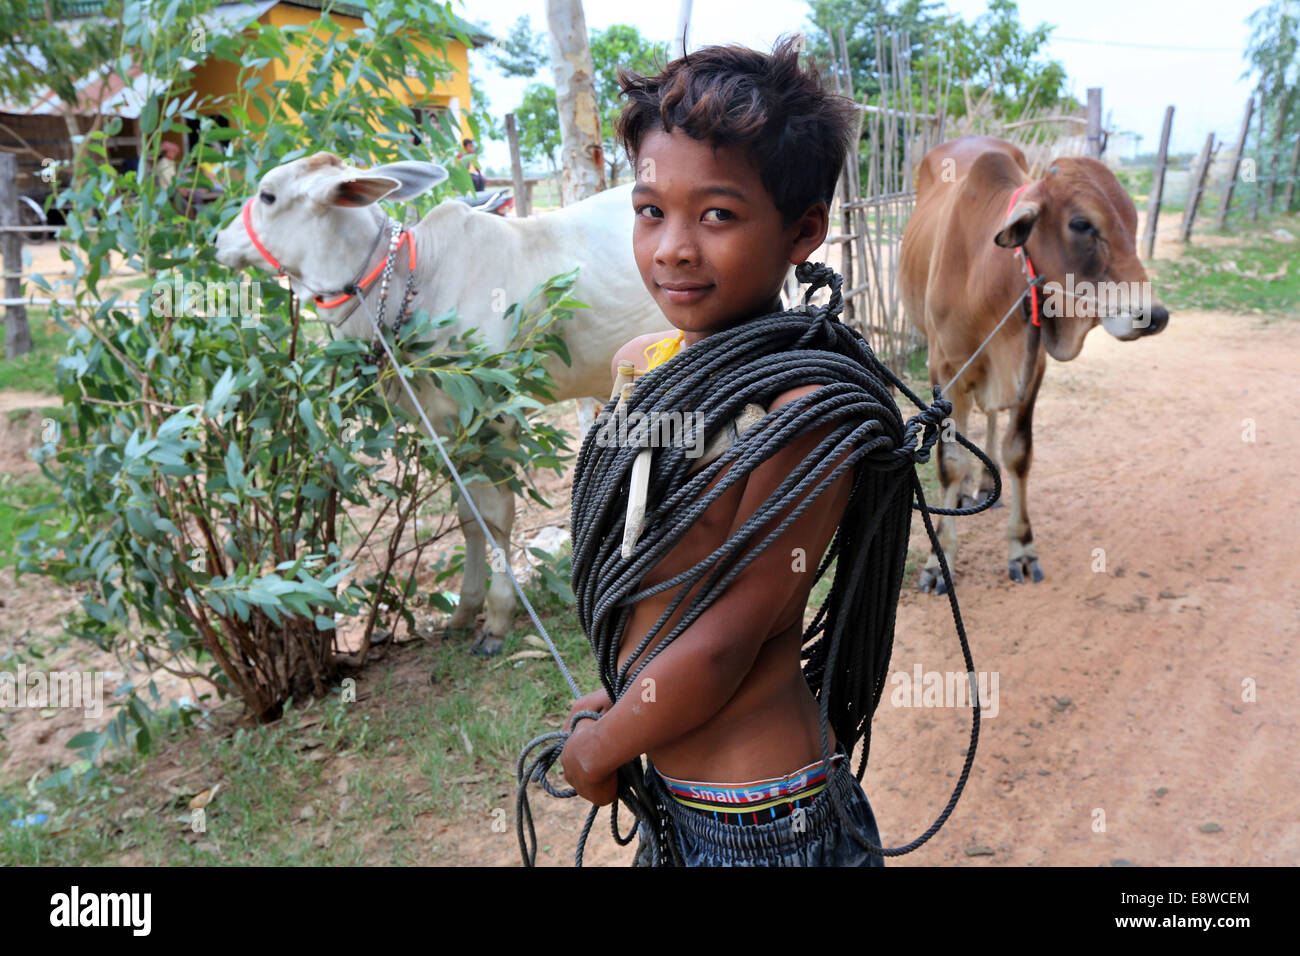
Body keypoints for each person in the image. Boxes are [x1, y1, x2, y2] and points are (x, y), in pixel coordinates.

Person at [557, 36, 889, 867]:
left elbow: (722, 642)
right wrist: (626, 700)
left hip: (760, 821)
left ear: (802, 231)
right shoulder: (650, 365)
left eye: (717, 215)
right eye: (649, 211)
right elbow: (668, 598)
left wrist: (601, 751)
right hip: (678, 796)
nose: (672, 246)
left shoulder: (803, 413)